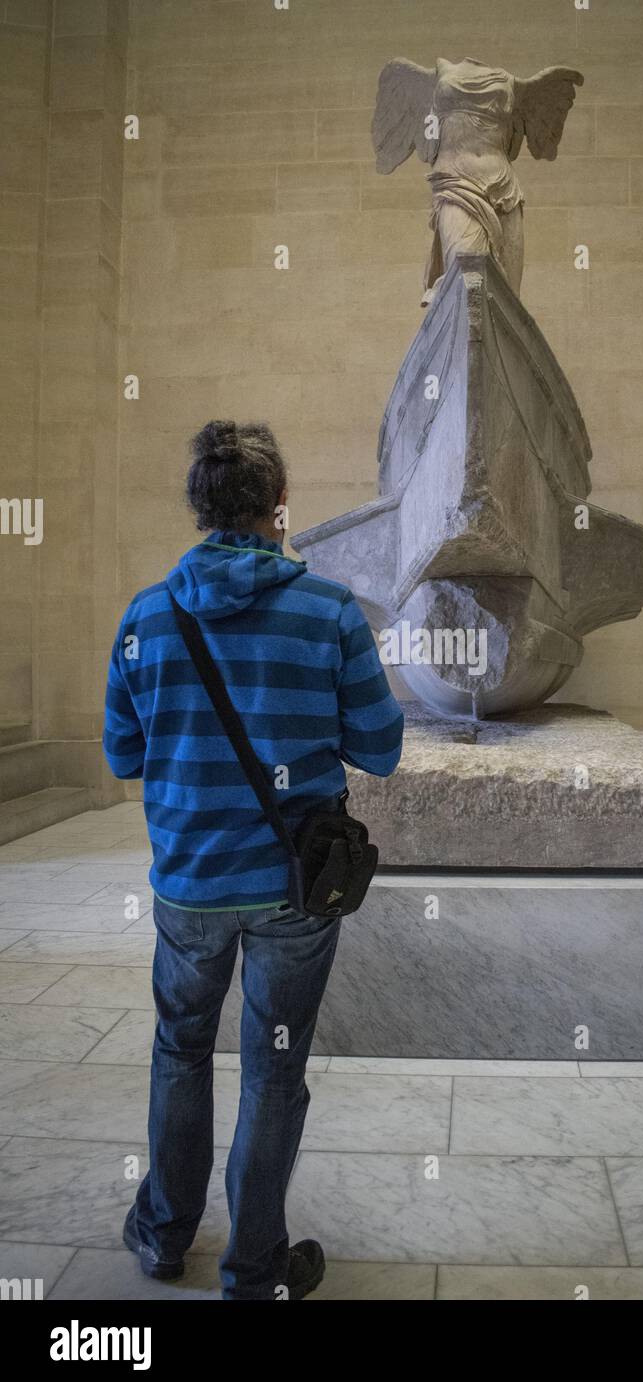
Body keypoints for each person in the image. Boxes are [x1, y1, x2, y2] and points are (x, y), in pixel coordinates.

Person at [102, 419, 404, 1300]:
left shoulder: (146, 617)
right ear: (280, 507)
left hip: (191, 884)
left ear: (199, 508)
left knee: (179, 1051)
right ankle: (254, 1266)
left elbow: (123, 756)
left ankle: (163, 1233)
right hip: (293, 888)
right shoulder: (329, 610)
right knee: (274, 1067)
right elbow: (380, 748)